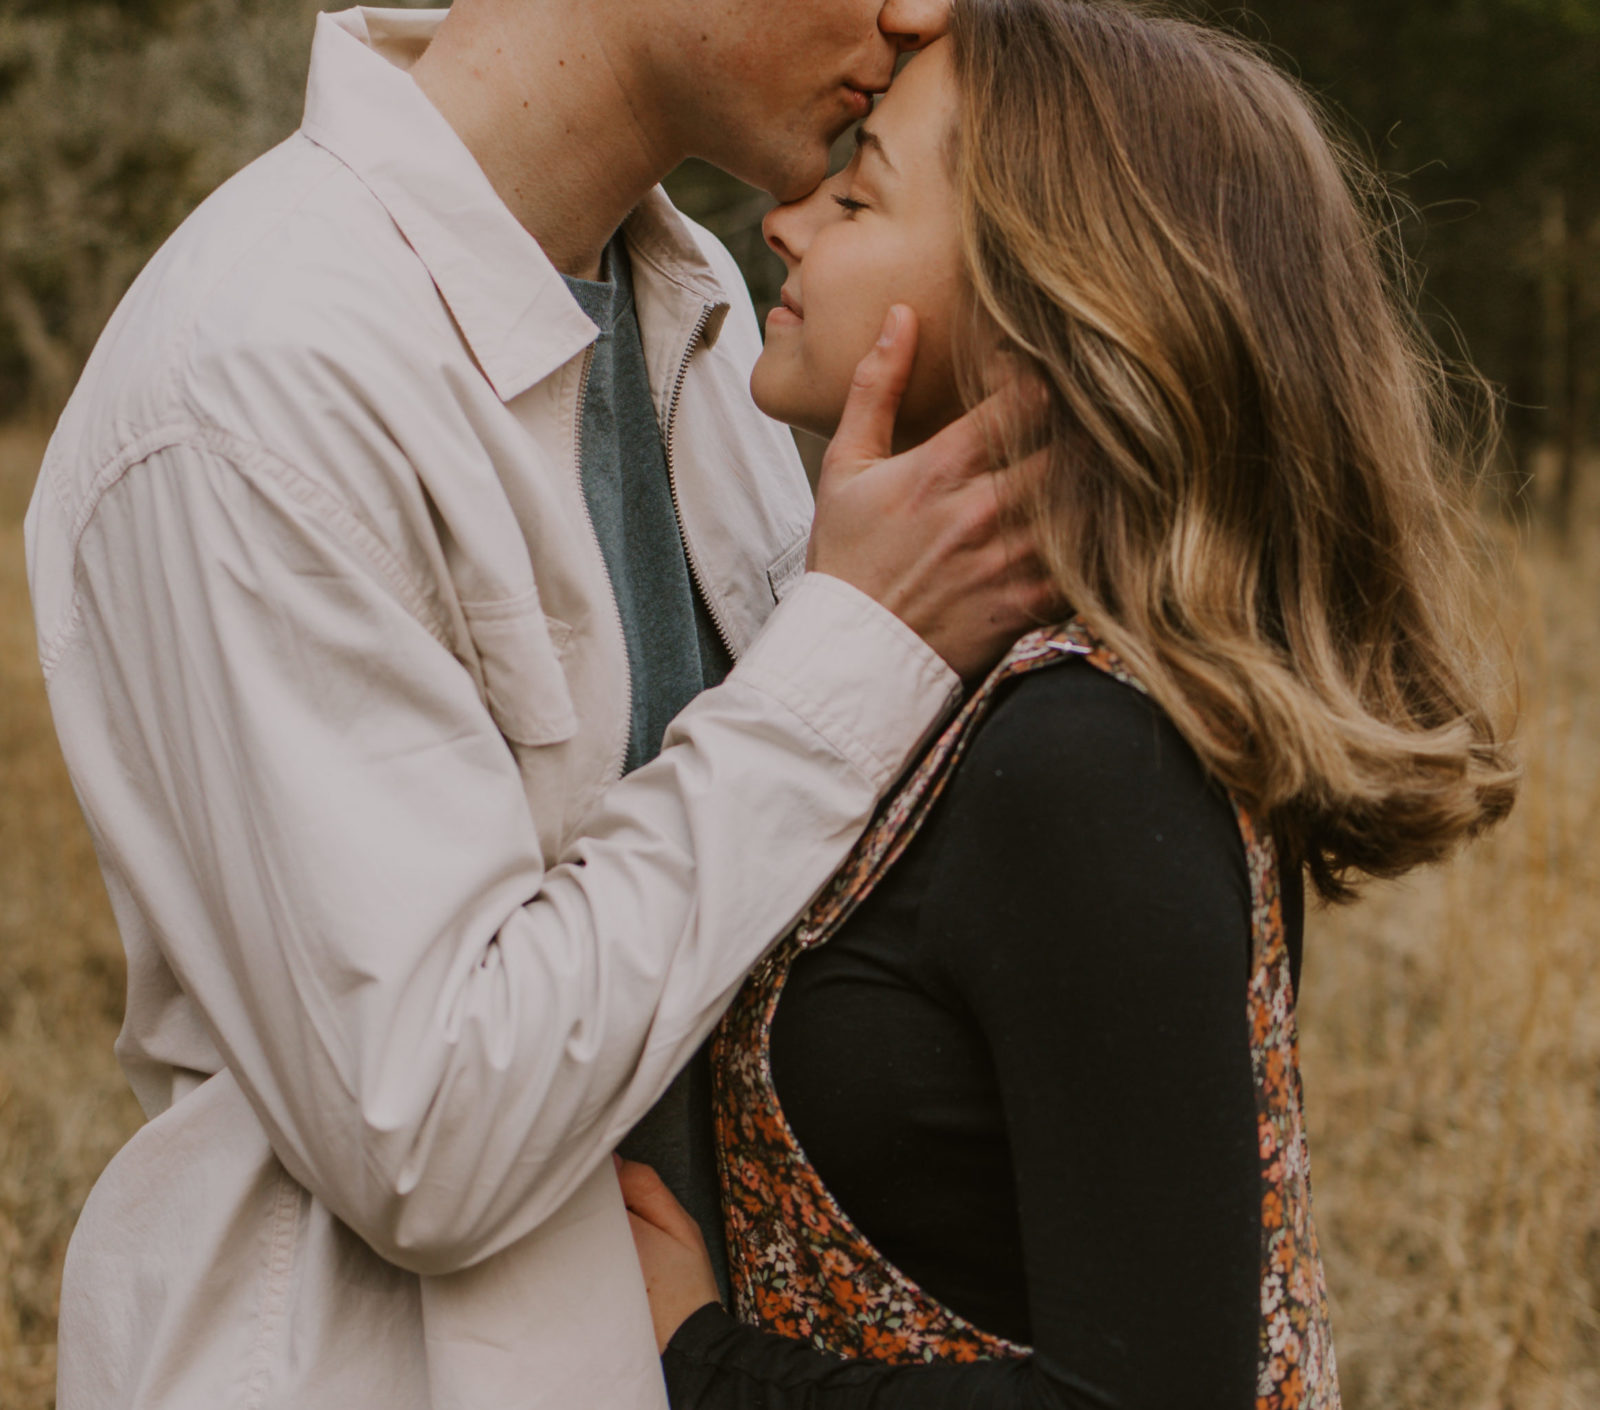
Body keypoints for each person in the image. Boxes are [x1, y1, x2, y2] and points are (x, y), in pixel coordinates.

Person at [24, 1, 1053, 1407]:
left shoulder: (699, 301)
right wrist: (857, 648)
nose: (922, 10)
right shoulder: (260, 380)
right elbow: (427, 1131)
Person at [618, 3, 1519, 1406]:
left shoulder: (1092, 754)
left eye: (858, 195)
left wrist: (701, 1363)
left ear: (1045, 314)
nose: (785, 222)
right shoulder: (988, 694)